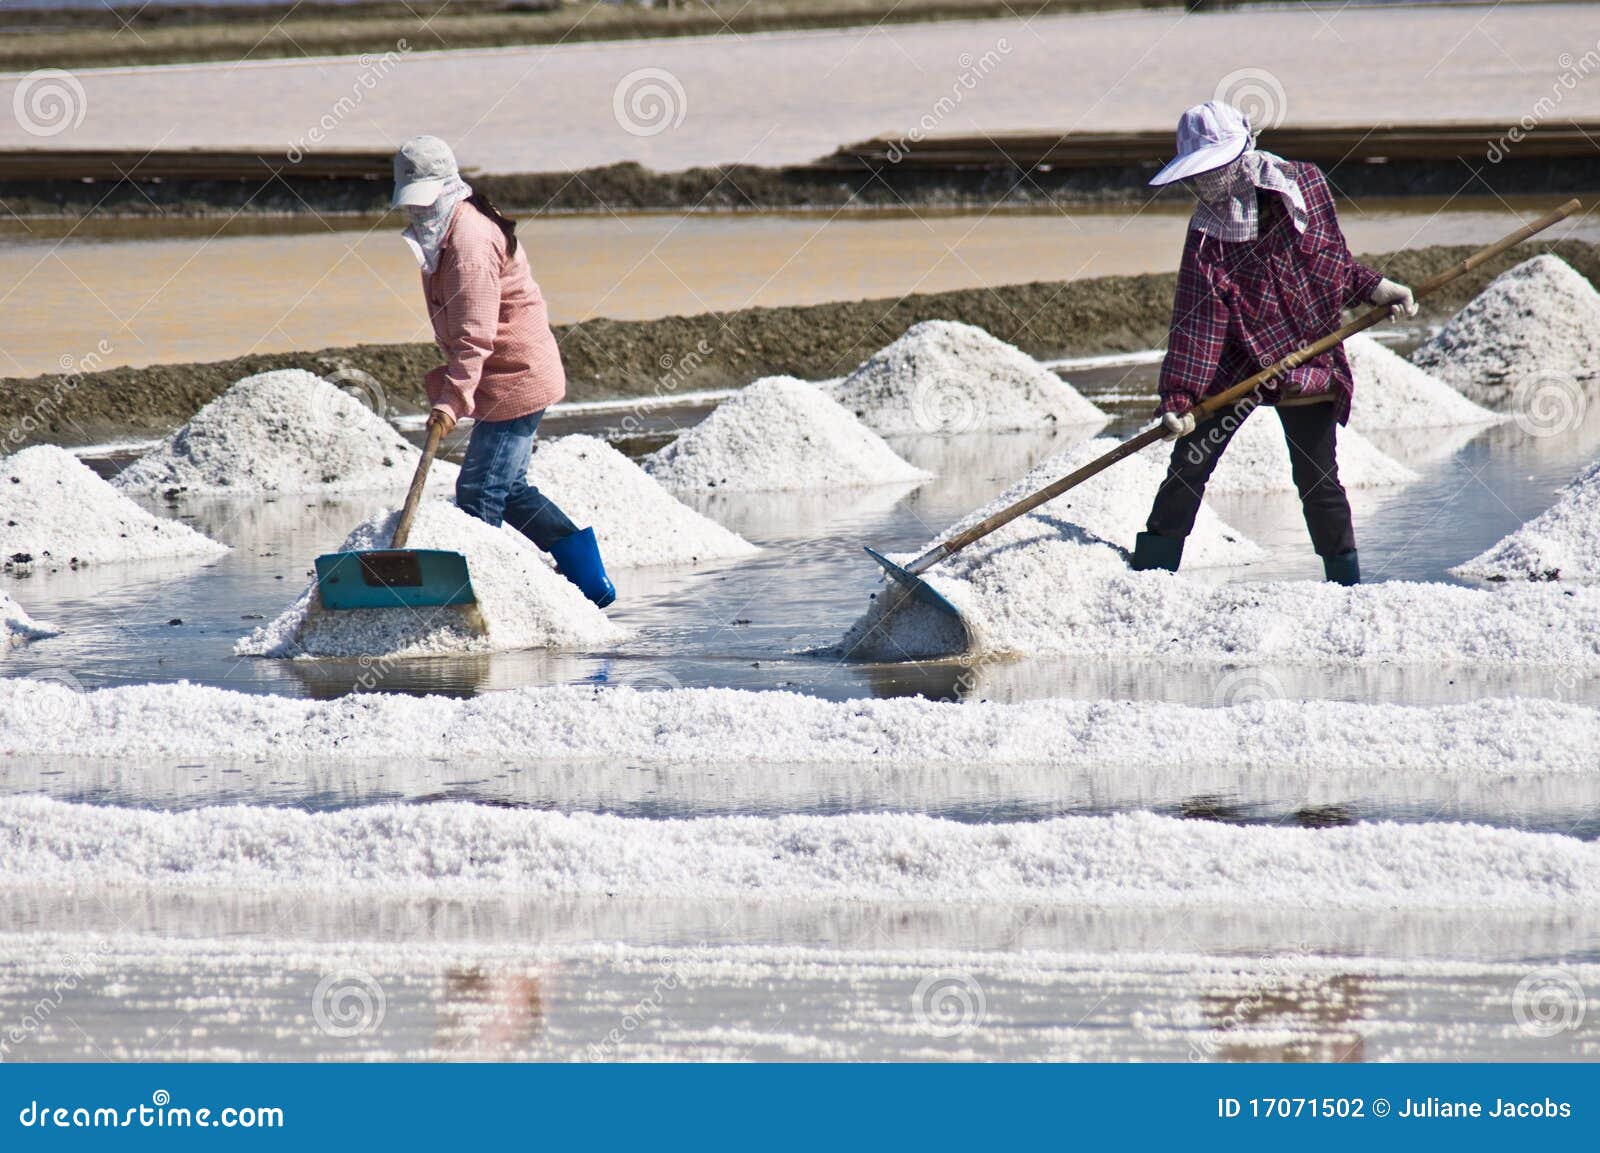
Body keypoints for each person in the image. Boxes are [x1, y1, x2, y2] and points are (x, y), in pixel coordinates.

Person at [1133, 101, 1418, 586]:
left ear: (1242, 153)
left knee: (1317, 478)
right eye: (1197, 175)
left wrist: (1375, 287)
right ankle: (1149, 578)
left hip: (1306, 354)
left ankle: (1345, 582)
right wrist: (1179, 400)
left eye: (1213, 170)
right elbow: (1198, 325)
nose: (1205, 184)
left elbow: (1331, 264)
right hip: (1234, 364)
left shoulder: (1304, 186)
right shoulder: (1206, 234)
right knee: (1189, 465)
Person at [392, 133, 615, 607]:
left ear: (447, 188)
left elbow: (474, 335)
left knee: (479, 490)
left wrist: (452, 401)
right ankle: (590, 584)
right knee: (509, 489)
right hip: (505, 374)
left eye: (423, 201)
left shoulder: (469, 240)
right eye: (411, 202)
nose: (416, 211)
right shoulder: (451, 228)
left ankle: (482, 595)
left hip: (517, 377)